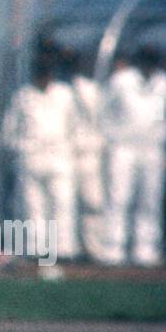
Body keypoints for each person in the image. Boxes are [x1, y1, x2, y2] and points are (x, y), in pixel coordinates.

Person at [1, 51, 78, 262]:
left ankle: (63, 250)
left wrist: (70, 148)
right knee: (33, 206)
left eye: (47, 73)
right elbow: (9, 132)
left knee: (63, 203)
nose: (43, 78)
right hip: (31, 158)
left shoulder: (65, 95)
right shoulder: (22, 96)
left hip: (60, 157)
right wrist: (22, 148)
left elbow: (76, 127)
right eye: (39, 73)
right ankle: (37, 250)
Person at [100, 45, 166, 266]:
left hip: (152, 149)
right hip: (124, 148)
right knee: (119, 197)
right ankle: (113, 248)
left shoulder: (163, 83)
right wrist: (113, 137)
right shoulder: (121, 81)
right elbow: (104, 111)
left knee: (150, 200)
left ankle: (145, 249)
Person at [59, 46, 106, 260]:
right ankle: (70, 248)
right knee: (66, 203)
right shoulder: (60, 91)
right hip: (64, 153)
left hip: (89, 153)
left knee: (92, 201)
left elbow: (100, 120)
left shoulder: (89, 89)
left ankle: (94, 248)